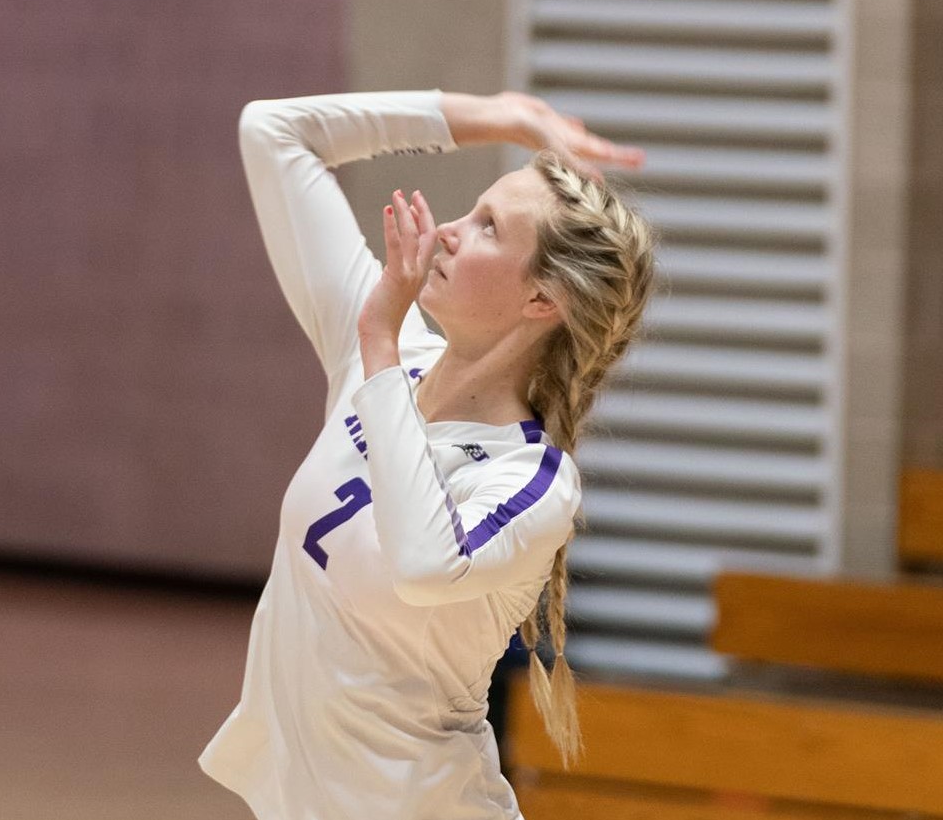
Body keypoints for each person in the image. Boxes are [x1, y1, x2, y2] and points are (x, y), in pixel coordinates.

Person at [197, 88, 656, 819]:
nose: (445, 231)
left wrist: (378, 343)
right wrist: (500, 116)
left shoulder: (533, 478)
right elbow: (273, 131)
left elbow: (423, 563)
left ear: (542, 299)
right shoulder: (389, 359)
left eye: (486, 228)